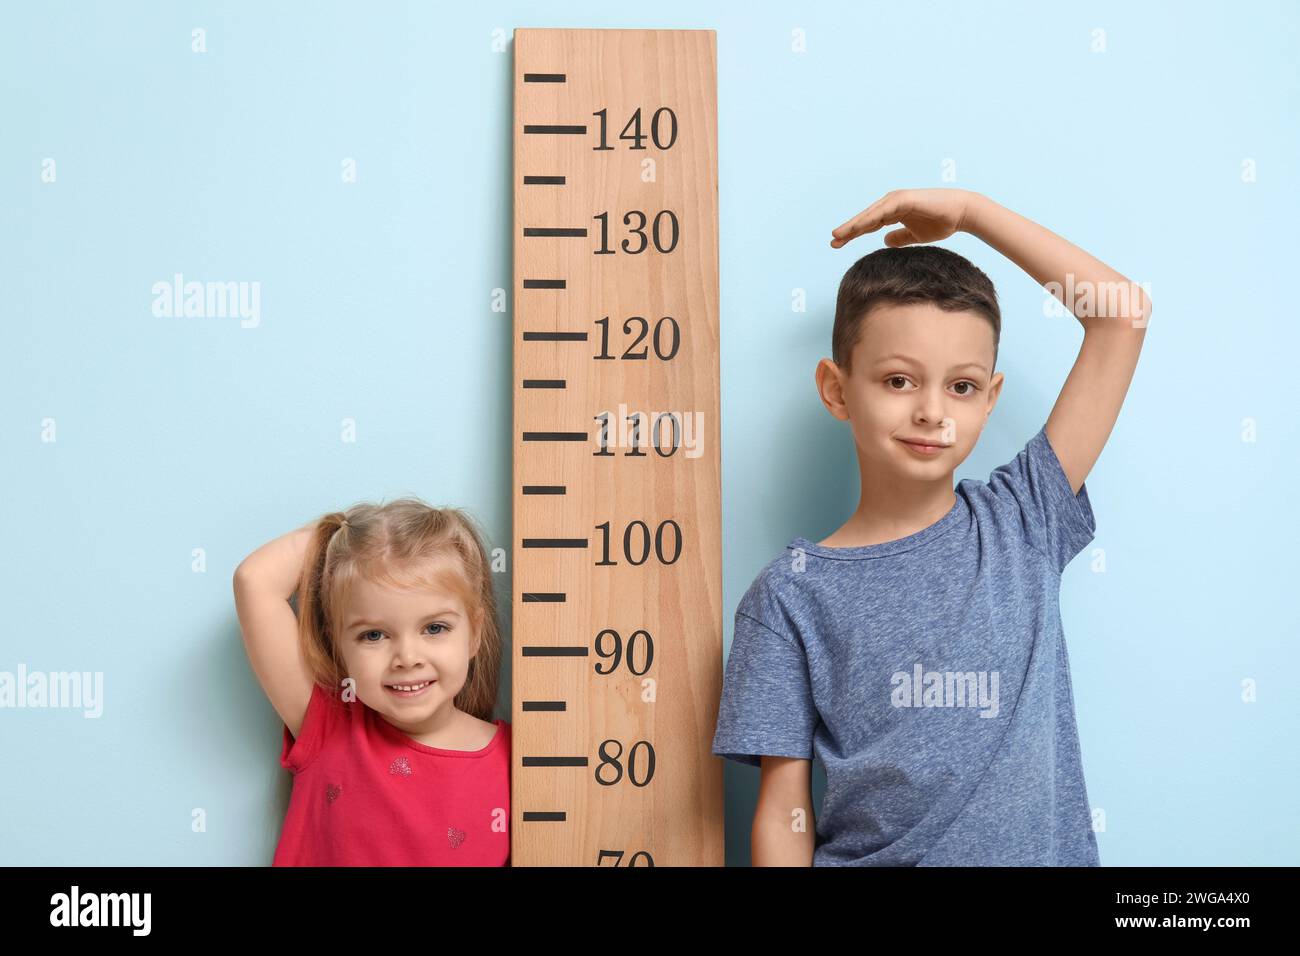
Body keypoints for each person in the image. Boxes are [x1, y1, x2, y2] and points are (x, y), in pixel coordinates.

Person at [712, 188, 1152, 865]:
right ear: (836, 389)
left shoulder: (1025, 518)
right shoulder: (787, 597)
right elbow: (783, 812)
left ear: (989, 399)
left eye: (962, 387)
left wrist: (972, 215)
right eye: (897, 381)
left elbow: (1120, 315)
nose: (931, 412)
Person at [233, 498, 509, 865]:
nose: (408, 658)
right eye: (374, 635)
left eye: (434, 628)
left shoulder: (516, 759)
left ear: (474, 633)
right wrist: (347, 534)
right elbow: (254, 581)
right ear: (339, 643)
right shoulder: (327, 725)